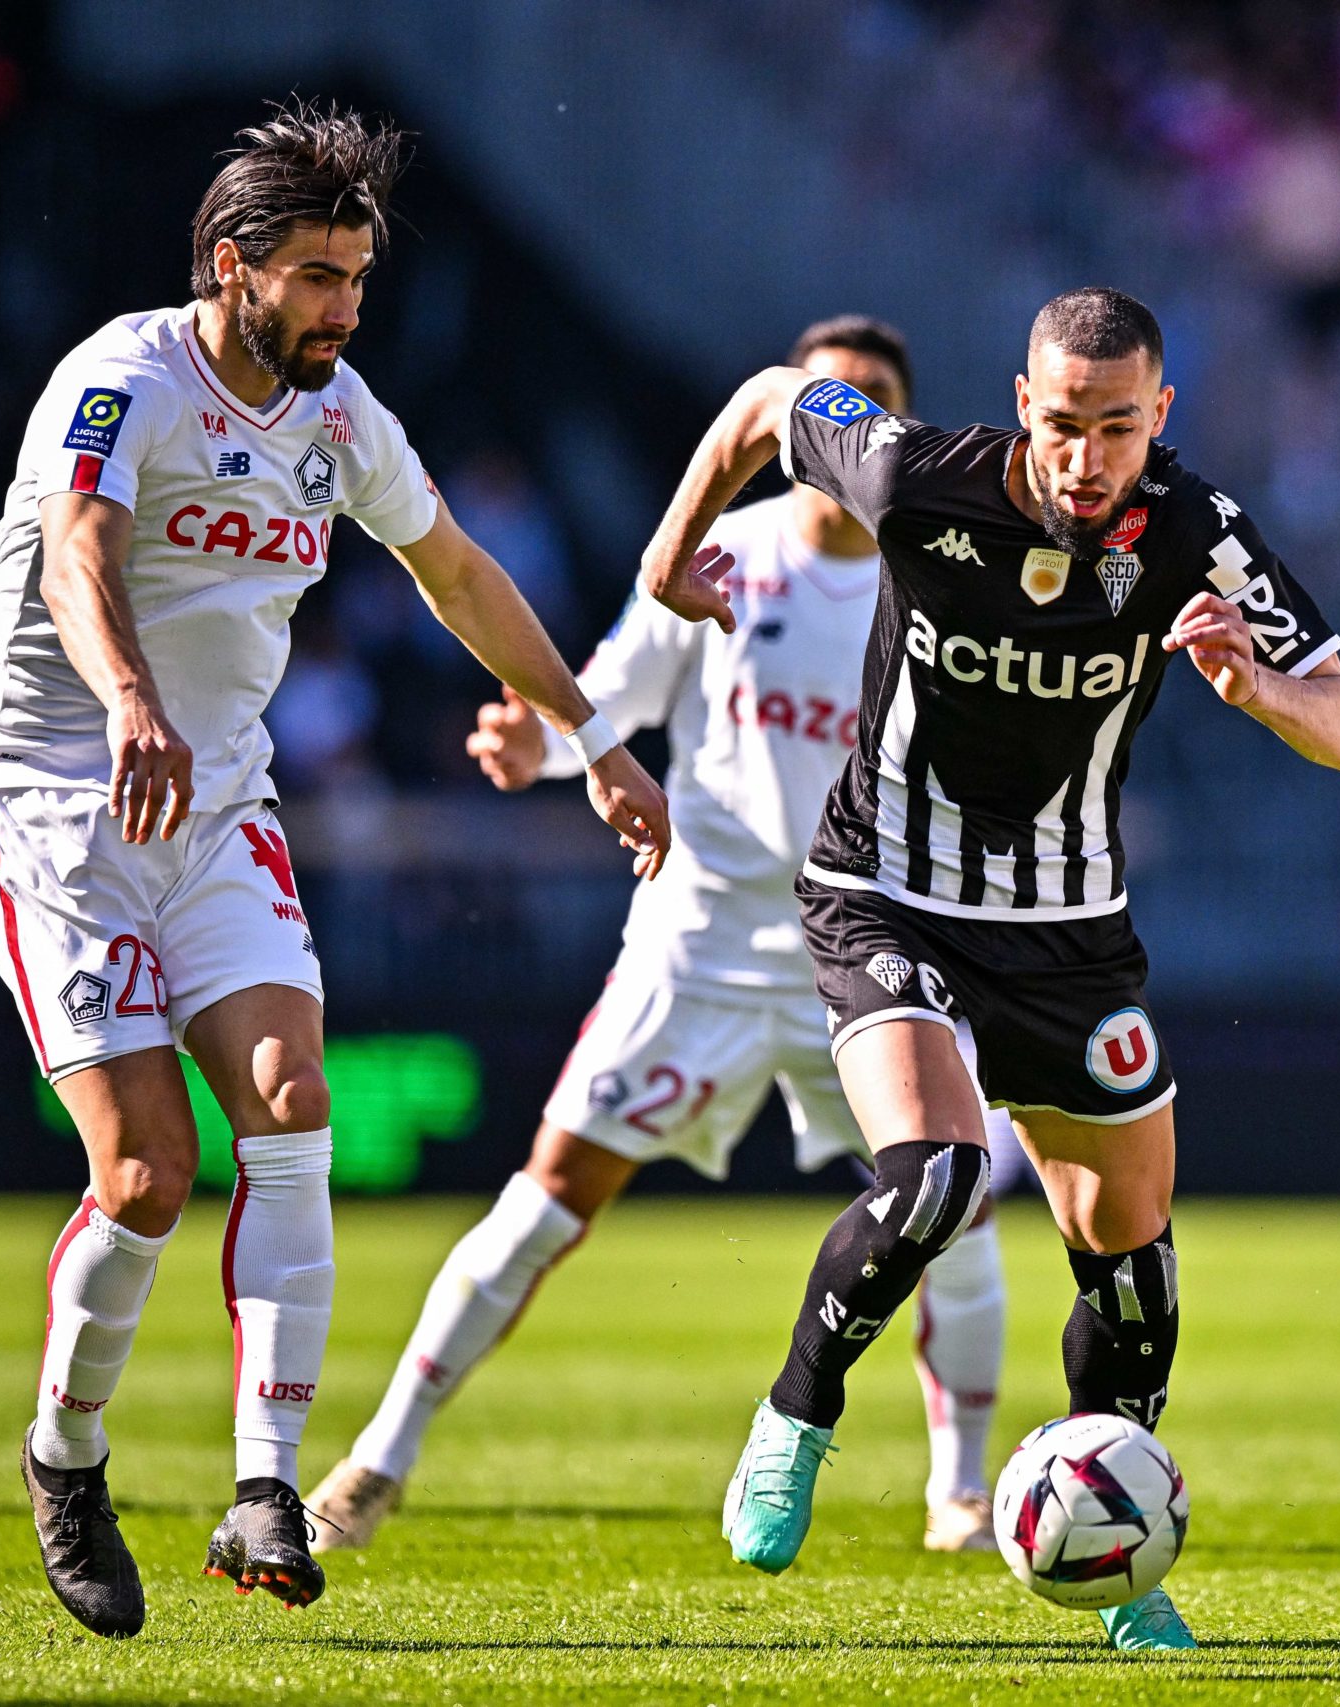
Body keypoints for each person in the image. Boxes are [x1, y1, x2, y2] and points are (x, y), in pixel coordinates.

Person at [0, 102, 669, 1637]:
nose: (348, 308)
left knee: (292, 1099)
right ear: (235, 267)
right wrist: (131, 696)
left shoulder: (341, 422)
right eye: (322, 279)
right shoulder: (120, 378)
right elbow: (79, 545)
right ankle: (65, 1456)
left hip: (215, 808)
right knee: (143, 1171)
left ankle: (264, 1486)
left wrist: (596, 735)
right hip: (55, 801)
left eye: (360, 278)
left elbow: (457, 568)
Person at [635, 286, 1340, 1651]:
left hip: (1072, 933)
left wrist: (1259, 691)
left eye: (1116, 427)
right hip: (886, 894)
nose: (1087, 458)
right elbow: (760, 399)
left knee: (1133, 1266)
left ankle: (1125, 1568)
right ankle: (797, 1413)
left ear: (1160, 414)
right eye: (1061, 425)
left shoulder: (1201, 534)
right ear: (1019, 402)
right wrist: (666, 563)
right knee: (938, 1173)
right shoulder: (916, 471)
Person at [308, 319, 1026, 1557]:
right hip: (699, 942)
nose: (844, 428)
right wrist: (538, 744)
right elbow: (610, 698)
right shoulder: (727, 559)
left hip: (865, 955)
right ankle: (379, 1458)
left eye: (872, 409)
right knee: (551, 1192)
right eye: (826, 405)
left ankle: (956, 1491)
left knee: (952, 1202)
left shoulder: (940, 586)